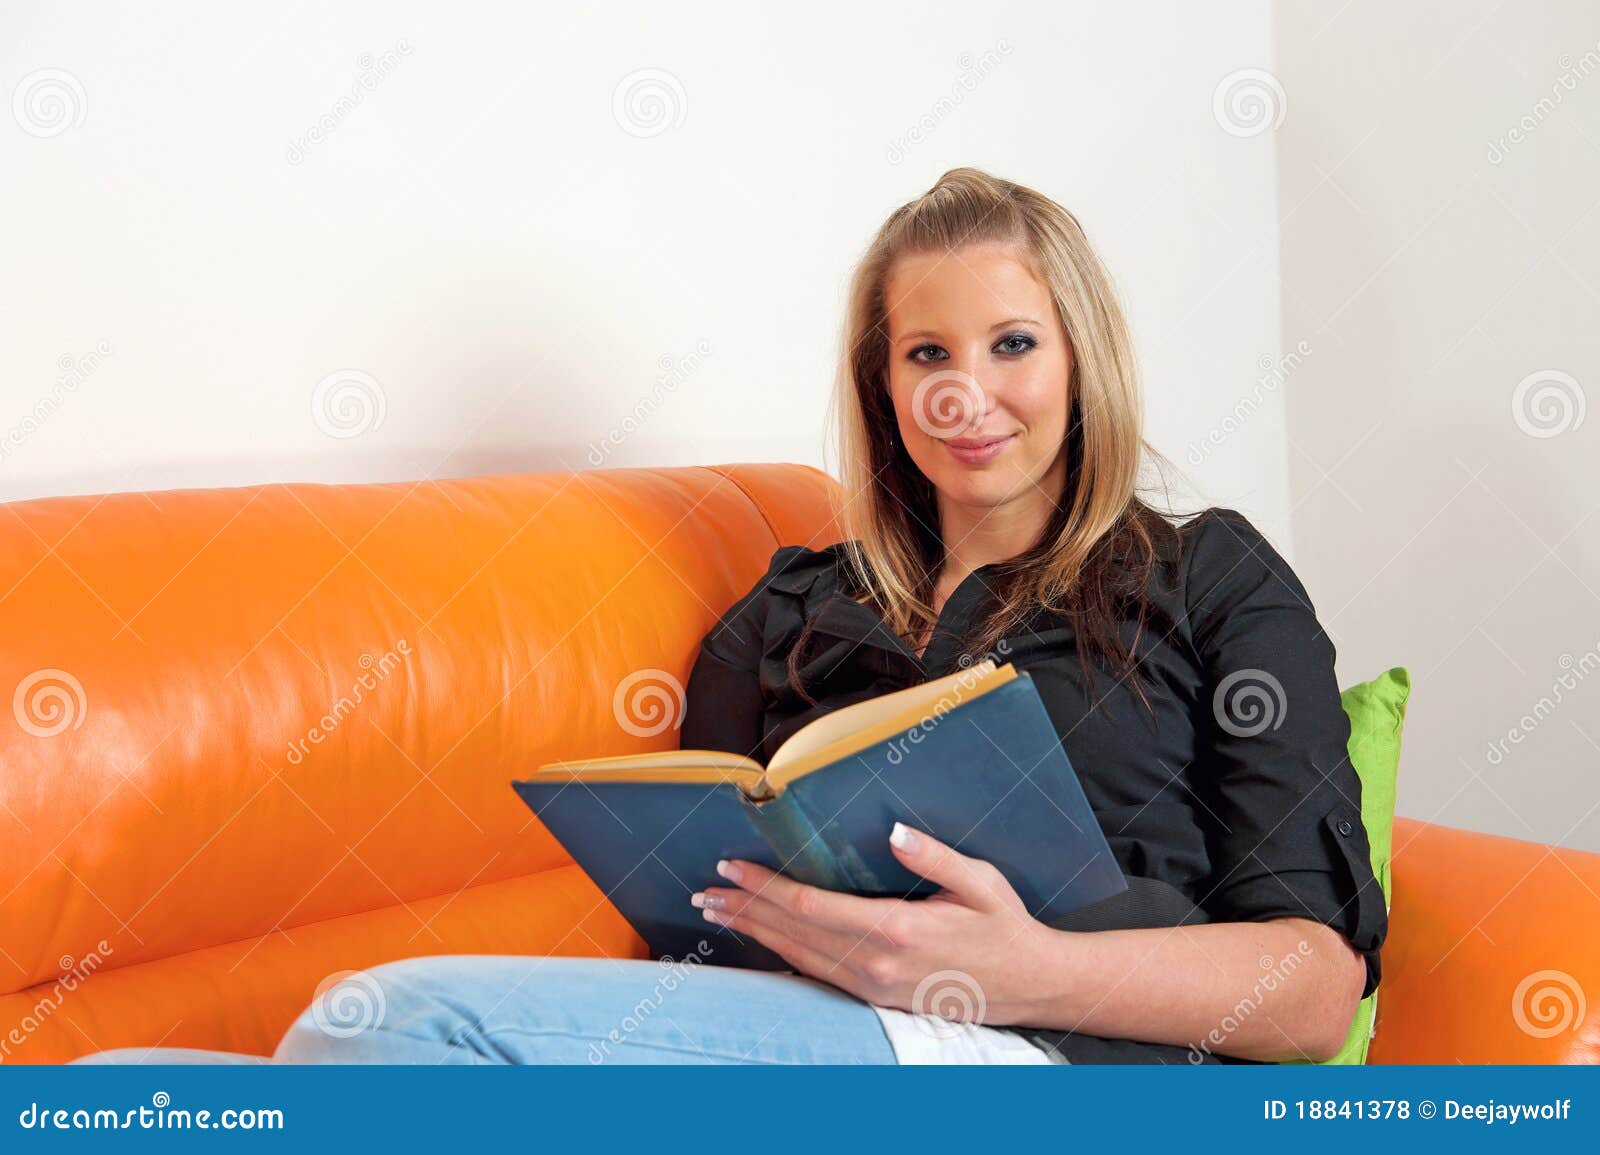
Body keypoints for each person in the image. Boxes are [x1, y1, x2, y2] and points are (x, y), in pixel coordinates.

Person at [73, 167, 1384, 1066]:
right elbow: (692, 910)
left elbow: (1316, 993)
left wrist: (1018, 970)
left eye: (1013, 344)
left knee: (393, 1026)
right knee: (121, 1091)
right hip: (798, 1038)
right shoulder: (795, 602)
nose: (967, 394)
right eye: (926, 353)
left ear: (1083, 358)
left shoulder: (1211, 577)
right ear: (882, 384)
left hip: (1065, 1062)